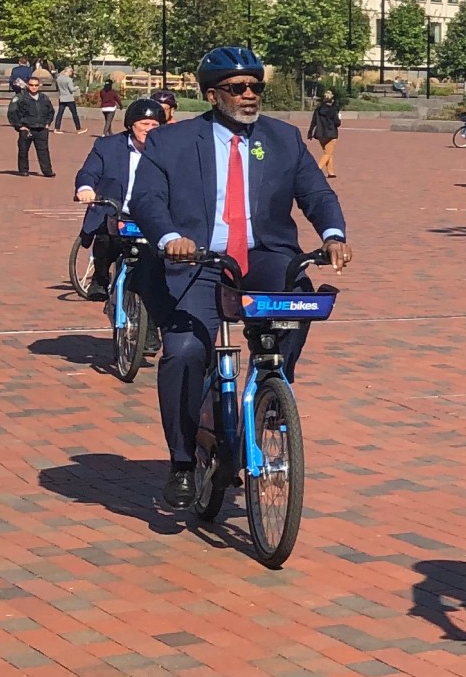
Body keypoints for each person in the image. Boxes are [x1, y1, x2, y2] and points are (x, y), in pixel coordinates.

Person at [130, 47, 350, 510]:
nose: (249, 95)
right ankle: (183, 460)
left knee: (298, 297)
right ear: (212, 95)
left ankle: (273, 387)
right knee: (185, 352)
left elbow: (316, 193)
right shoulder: (171, 142)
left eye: (255, 87)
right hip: (197, 260)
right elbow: (147, 199)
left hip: (263, 253)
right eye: (237, 88)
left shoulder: (283, 138)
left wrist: (332, 235)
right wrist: (169, 237)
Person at [73, 97, 168, 302]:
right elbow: (89, 172)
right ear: (131, 124)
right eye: (144, 124)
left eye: (155, 125)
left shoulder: (168, 151)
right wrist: (86, 189)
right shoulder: (107, 146)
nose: (149, 129)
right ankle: (100, 278)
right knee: (105, 239)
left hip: (150, 214)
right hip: (115, 211)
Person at [9, 75, 55, 177]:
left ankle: (47, 171)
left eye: (36, 85)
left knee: (43, 151)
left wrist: (48, 123)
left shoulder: (44, 98)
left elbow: (51, 111)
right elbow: (12, 112)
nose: (33, 87)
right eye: (31, 85)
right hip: (27, 129)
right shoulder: (20, 97)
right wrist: (19, 126)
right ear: (27, 85)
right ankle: (23, 170)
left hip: (41, 129)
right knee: (23, 150)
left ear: (39, 86)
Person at [308, 90, 341, 178]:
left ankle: (331, 172)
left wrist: (310, 132)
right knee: (328, 154)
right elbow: (337, 123)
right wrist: (339, 118)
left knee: (328, 152)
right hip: (331, 134)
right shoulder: (333, 110)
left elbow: (313, 122)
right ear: (332, 100)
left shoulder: (318, 110)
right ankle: (316, 170)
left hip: (320, 134)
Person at [53, 64, 84, 134]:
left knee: (60, 114)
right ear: (68, 72)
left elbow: (57, 88)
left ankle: (56, 128)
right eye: (71, 72)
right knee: (74, 114)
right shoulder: (68, 79)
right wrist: (77, 87)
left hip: (62, 97)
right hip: (69, 98)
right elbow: (72, 89)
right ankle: (78, 128)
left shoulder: (59, 78)